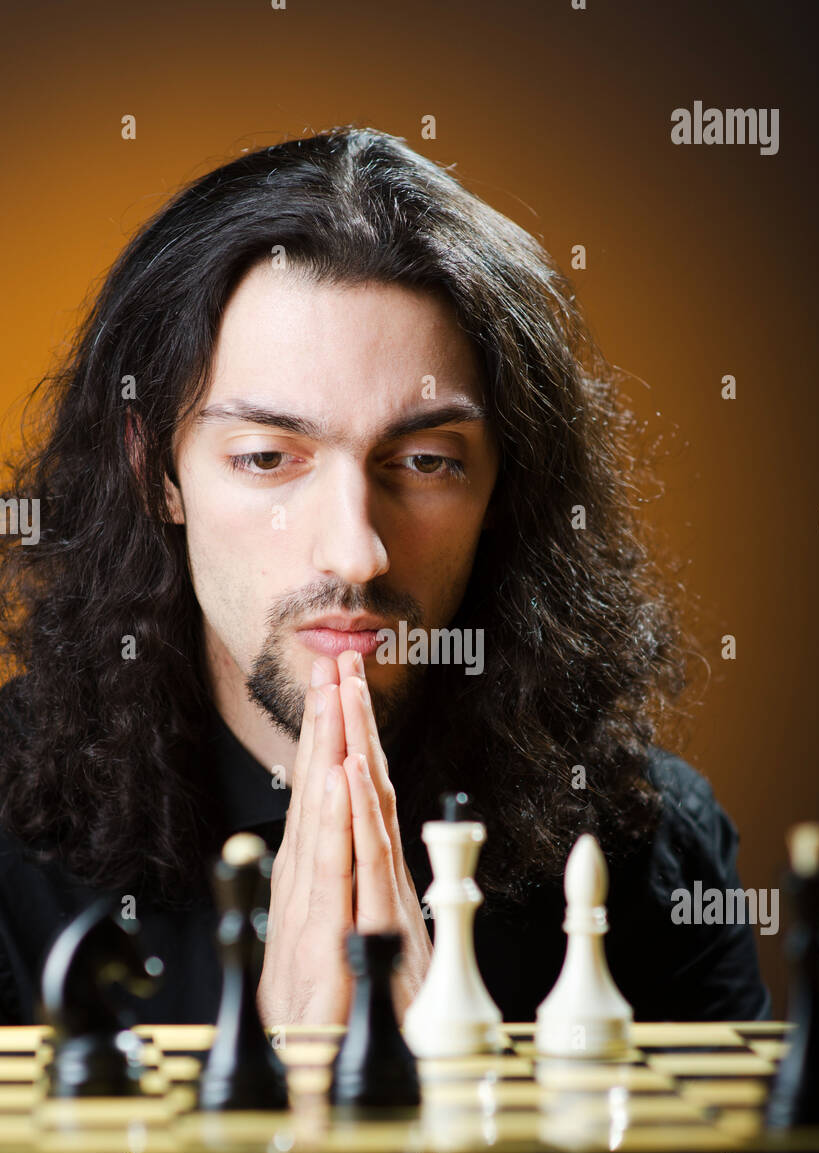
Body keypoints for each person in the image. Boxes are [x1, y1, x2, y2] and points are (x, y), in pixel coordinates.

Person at [0, 125, 770, 1028]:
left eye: (425, 462)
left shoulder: (649, 841)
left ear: (504, 485)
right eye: (266, 457)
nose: (356, 553)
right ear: (155, 474)